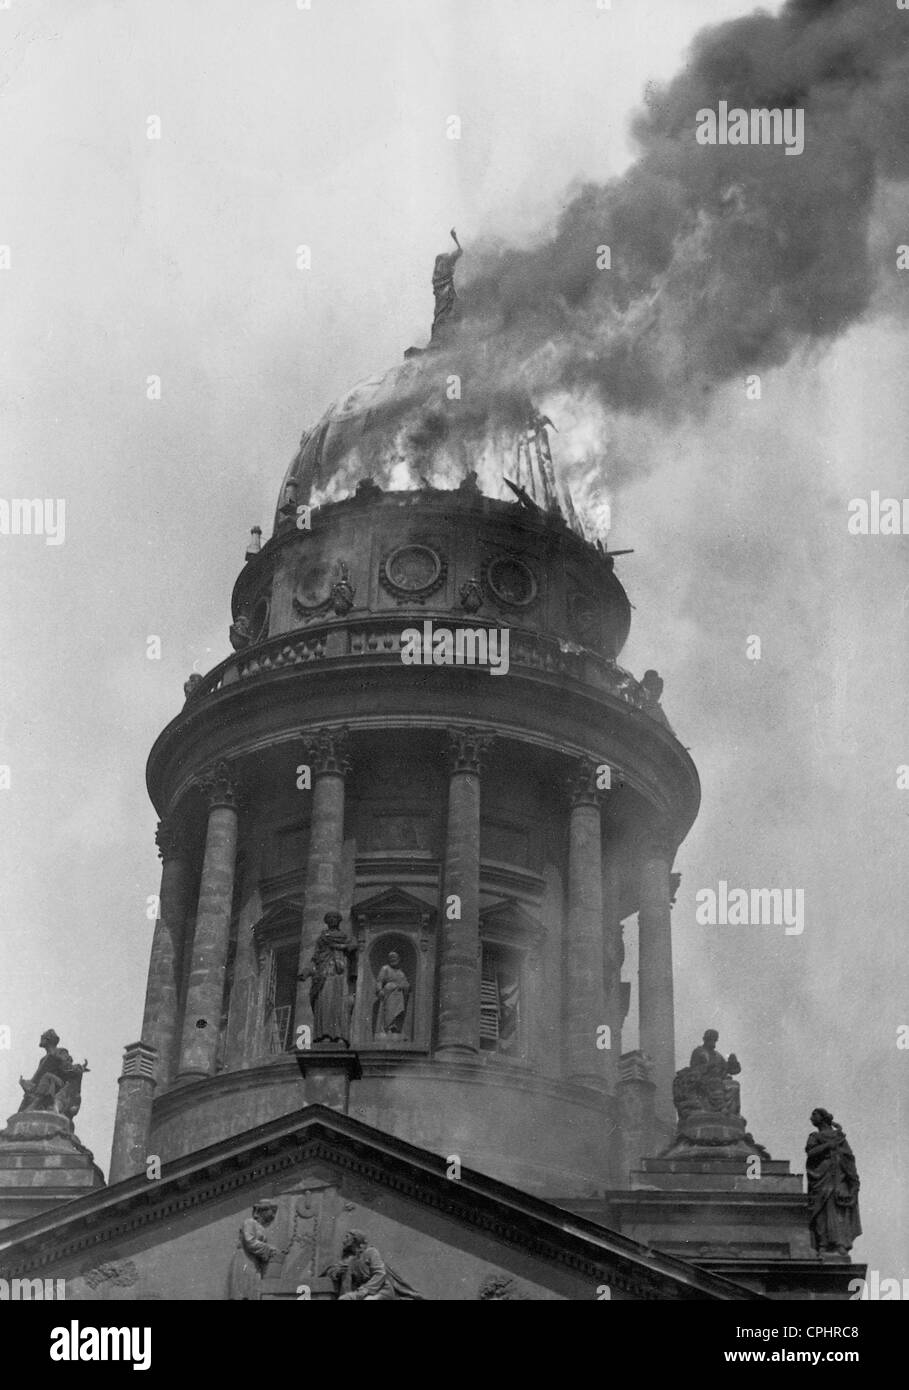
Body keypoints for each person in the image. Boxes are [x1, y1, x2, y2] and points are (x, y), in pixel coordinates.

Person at [806, 1109, 862, 1255]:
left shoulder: (839, 1137)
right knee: (821, 1211)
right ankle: (823, 1244)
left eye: (814, 1115)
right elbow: (811, 1153)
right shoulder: (814, 1136)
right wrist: (827, 1146)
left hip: (838, 1178)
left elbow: (848, 1158)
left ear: (823, 1118)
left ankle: (840, 1244)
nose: (811, 1118)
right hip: (821, 1178)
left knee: (838, 1212)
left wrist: (853, 1181)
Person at [298, 912, 357, 1046]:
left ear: (339, 920)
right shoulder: (322, 938)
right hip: (323, 974)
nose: (332, 920)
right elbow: (315, 957)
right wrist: (306, 972)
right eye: (329, 918)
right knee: (324, 1004)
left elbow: (353, 946)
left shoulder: (345, 937)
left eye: (334, 918)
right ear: (326, 921)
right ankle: (324, 1035)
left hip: (340, 975)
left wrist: (340, 947)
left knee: (339, 1005)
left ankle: (340, 1036)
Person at [324, 1230, 423, 1301]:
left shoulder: (371, 1252)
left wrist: (364, 1290)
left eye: (347, 1237)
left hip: (381, 1290)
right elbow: (334, 1269)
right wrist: (336, 1272)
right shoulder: (351, 1260)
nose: (343, 1241)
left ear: (355, 1239)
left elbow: (380, 1274)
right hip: (361, 1292)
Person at [228, 1201, 279, 1300]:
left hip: (254, 1263)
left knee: (252, 1293)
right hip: (244, 1260)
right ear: (262, 1211)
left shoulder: (261, 1227)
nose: (272, 1215)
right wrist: (268, 1249)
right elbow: (249, 1241)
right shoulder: (249, 1222)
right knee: (243, 1293)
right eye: (271, 1211)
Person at [374, 952, 410, 1038]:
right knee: (388, 1011)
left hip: (399, 995)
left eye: (395, 958)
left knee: (398, 1012)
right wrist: (379, 990)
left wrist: (405, 986)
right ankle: (387, 1029)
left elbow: (406, 983)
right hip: (389, 993)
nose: (393, 959)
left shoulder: (401, 972)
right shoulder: (385, 969)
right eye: (391, 958)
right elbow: (379, 981)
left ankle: (395, 1028)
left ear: (399, 959)